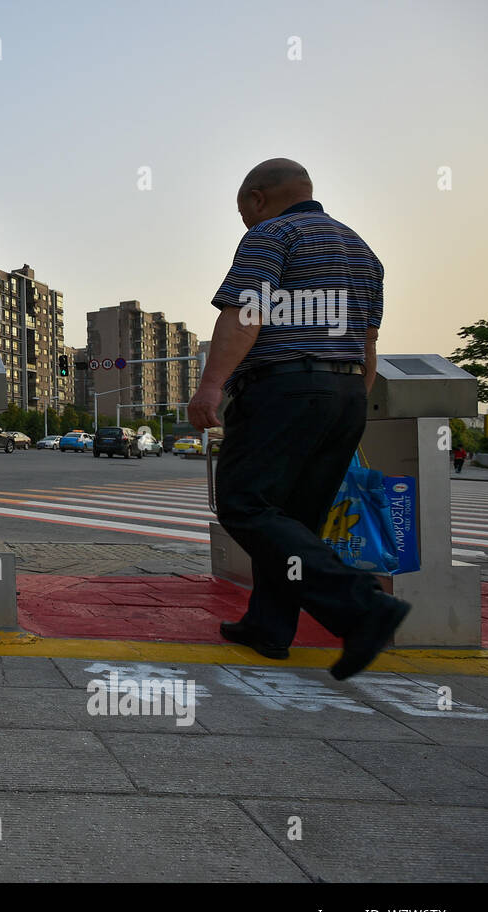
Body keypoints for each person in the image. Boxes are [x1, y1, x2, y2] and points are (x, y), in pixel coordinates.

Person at [189, 158, 410, 680]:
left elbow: (247, 311)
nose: (243, 220)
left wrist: (211, 385)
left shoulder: (273, 234)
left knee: (245, 503)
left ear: (257, 198)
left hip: (285, 388)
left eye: (243, 209)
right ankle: (268, 627)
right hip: (346, 390)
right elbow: (369, 342)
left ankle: (362, 606)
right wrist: (344, 404)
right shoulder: (362, 250)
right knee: (293, 519)